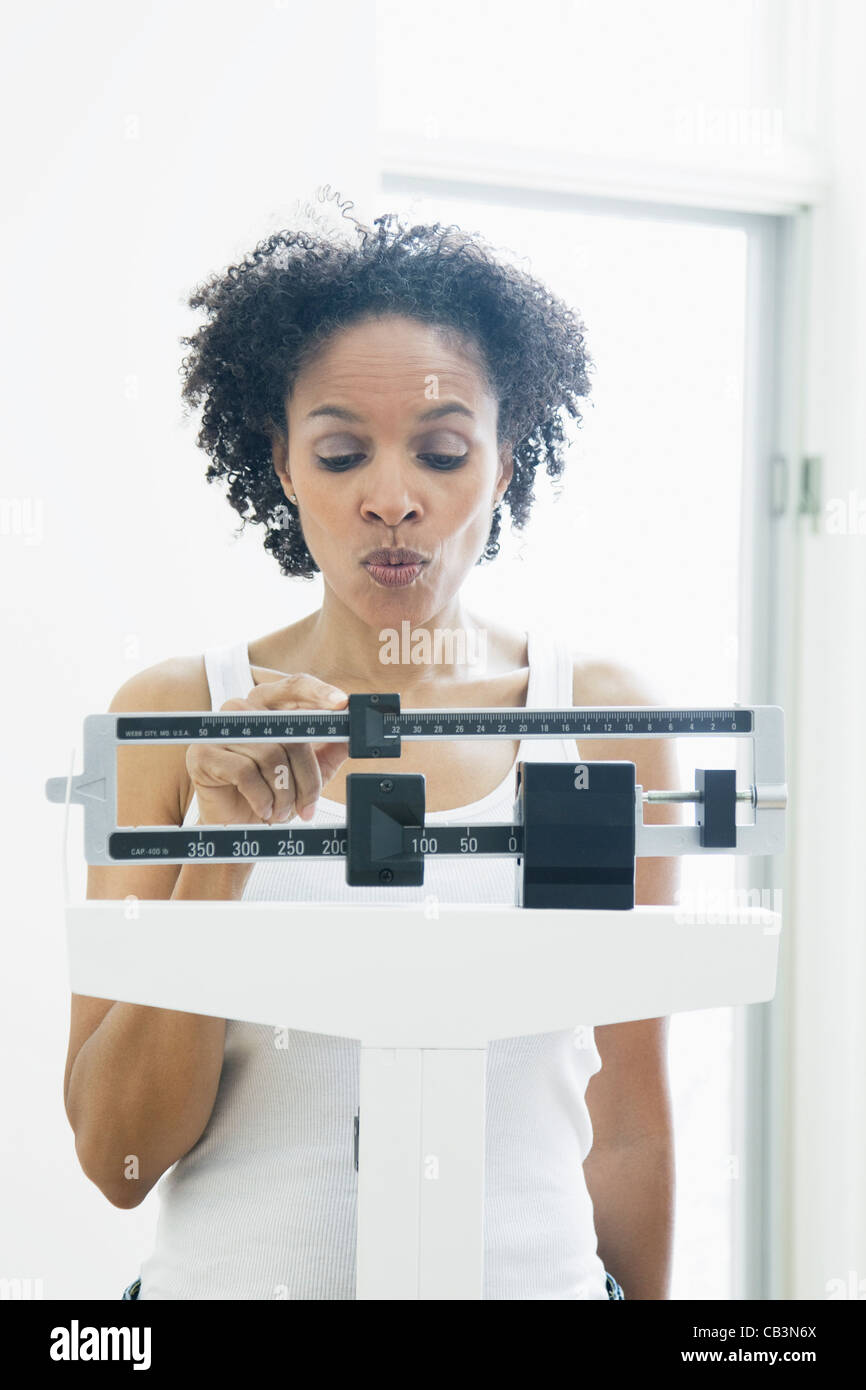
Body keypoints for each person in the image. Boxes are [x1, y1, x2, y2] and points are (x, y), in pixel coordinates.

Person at [64, 204, 679, 1300]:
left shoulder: (594, 726)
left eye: (441, 452)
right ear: (283, 463)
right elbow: (117, 1155)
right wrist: (222, 845)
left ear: (500, 464)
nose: (391, 498)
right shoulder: (165, 720)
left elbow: (625, 1123)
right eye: (342, 451)